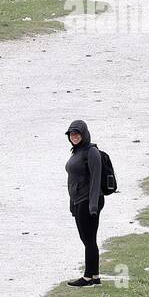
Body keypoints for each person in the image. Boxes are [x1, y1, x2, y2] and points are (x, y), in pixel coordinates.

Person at [65, 119, 103, 286]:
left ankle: (88, 277)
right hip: (79, 200)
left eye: (77, 133)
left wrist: (93, 206)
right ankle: (95, 276)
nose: (74, 136)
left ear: (84, 134)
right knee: (88, 239)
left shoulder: (91, 152)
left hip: (89, 200)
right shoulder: (77, 151)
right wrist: (72, 203)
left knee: (88, 239)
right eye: (72, 134)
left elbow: (96, 179)